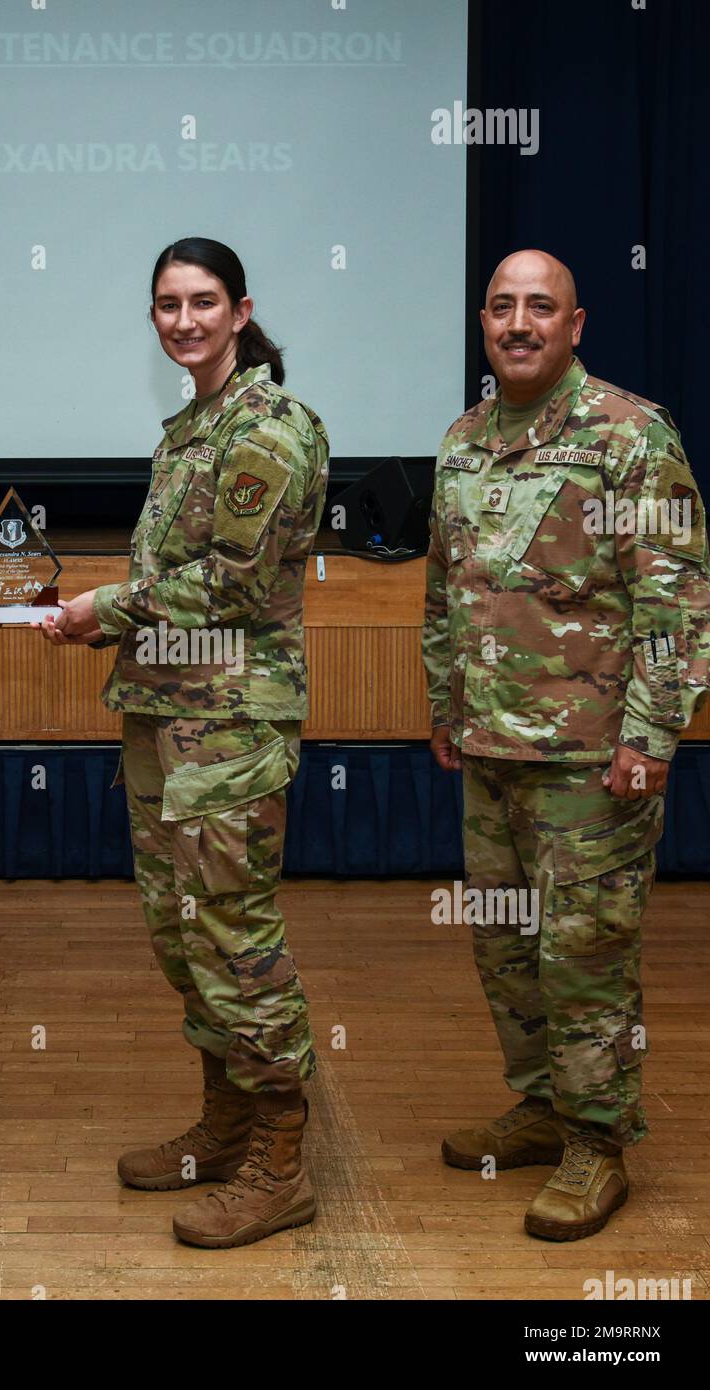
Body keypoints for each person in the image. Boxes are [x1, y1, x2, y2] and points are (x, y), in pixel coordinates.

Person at [38, 237, 329, 1248]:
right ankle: (226, 1123)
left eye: (202, 302)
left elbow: (231, 585)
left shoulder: (269, 426)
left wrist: (102, 609)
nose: (183, 320)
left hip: (230, 725)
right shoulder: (190, 429)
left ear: (240, 310)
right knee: (181, 934)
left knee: (233, 938)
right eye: (166, 303)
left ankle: (281, 1160)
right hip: (165, 716)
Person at [423, 249, 710, 1240]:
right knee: (505, 950)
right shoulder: (461, 439)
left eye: (537, 307)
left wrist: (651, 732)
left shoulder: (629, 436)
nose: (516, 323)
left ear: (573, 325)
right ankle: (544, 1103)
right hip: (490, 750)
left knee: (584, 954)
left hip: (592, 763)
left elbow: (672, 595)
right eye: (500, 307)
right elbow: (443, 589)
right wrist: (442, 705)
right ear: (481, 320)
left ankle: (597, 1141)